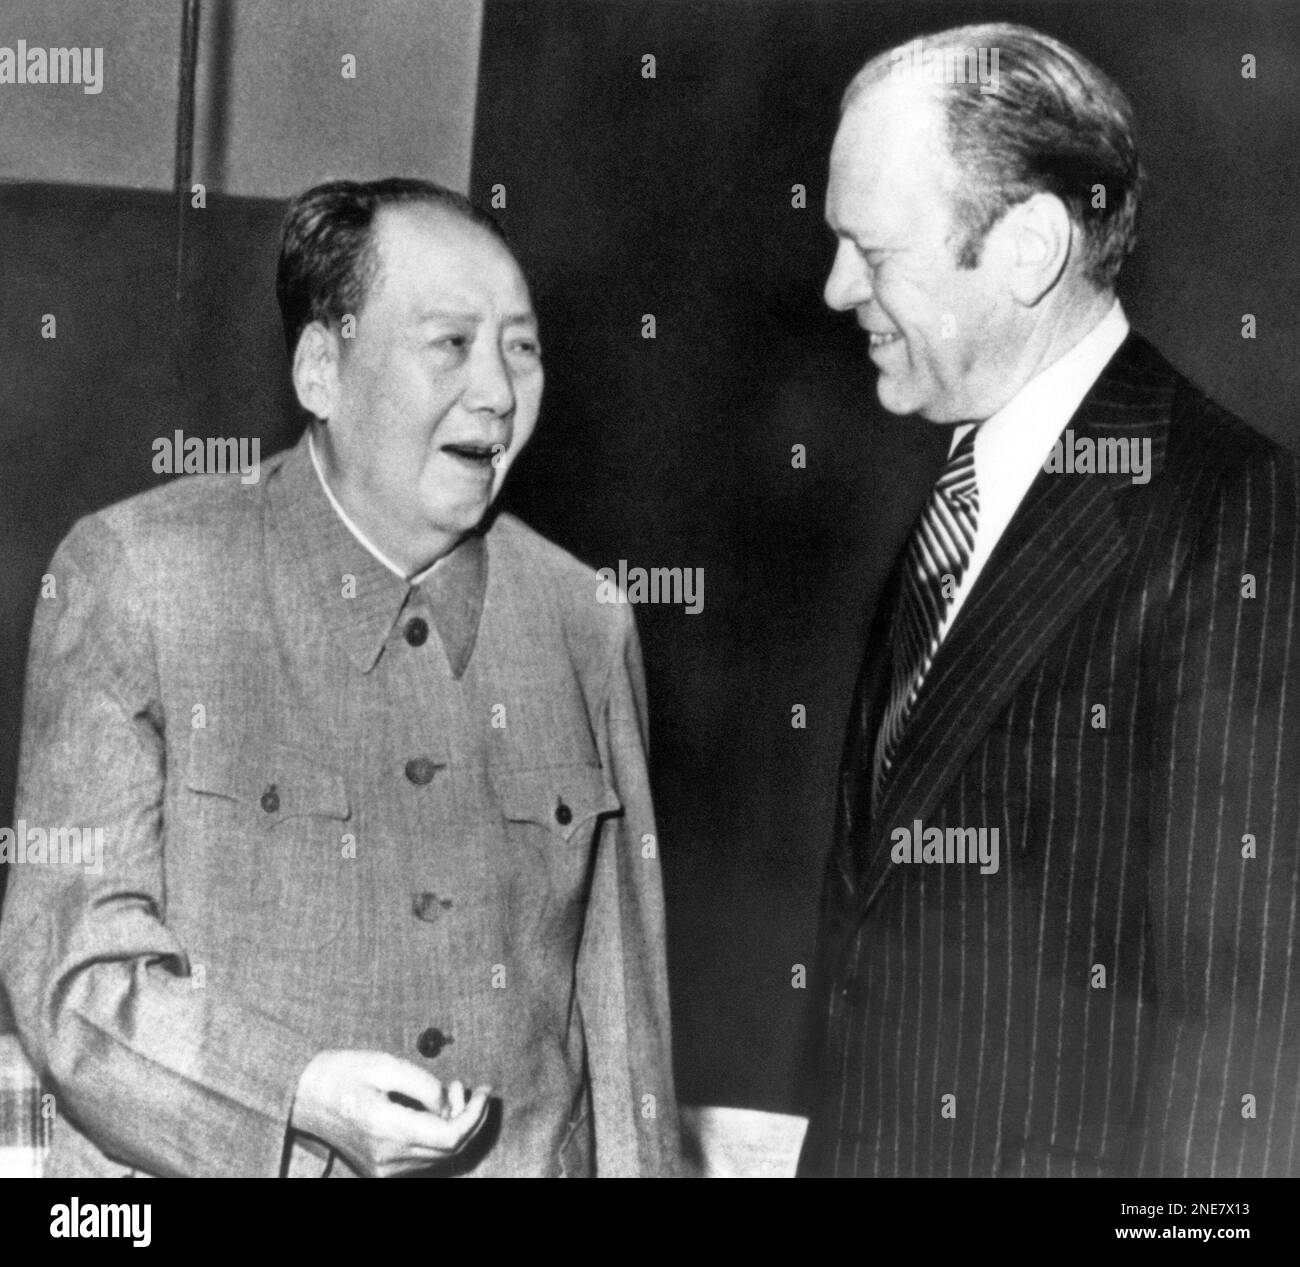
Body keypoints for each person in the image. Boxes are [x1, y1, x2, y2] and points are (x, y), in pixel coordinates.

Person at [0, 178, 679, 1178]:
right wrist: (295, 1092)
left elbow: (624, 1048)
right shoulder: (138, 575)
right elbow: (74, 983)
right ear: (323, 368)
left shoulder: (587, 620)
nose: (496, 391)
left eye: (520, 347)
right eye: (449, 343)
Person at [798, 24, 1300, 1177]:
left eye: (870, 251)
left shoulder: (1234, 514)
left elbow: (1247, 1040)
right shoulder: (951, 493)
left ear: (1026, 248)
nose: (835, 290)